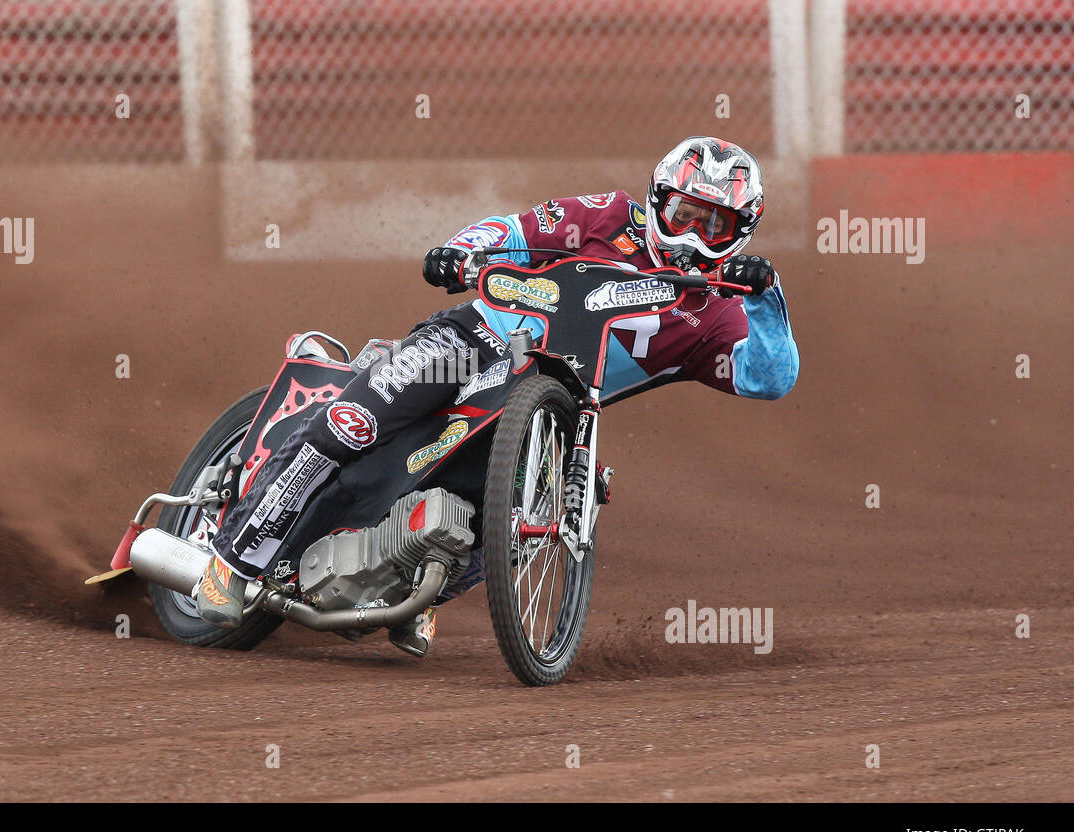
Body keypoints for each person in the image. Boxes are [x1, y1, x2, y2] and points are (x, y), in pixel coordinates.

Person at [193, 136, 800, 656]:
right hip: (475, 339)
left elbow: (772, 378)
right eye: (684, 214)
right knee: (356, 421)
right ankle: (232, 559)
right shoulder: (607, 216)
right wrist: (461, 252)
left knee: (514, 517)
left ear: (740, 234)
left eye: (713, 225)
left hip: (550, 406)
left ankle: (410, 587)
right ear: (656, 200)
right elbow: (513, 229)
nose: (693, 235)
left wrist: (764, 298)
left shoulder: (719, 311)